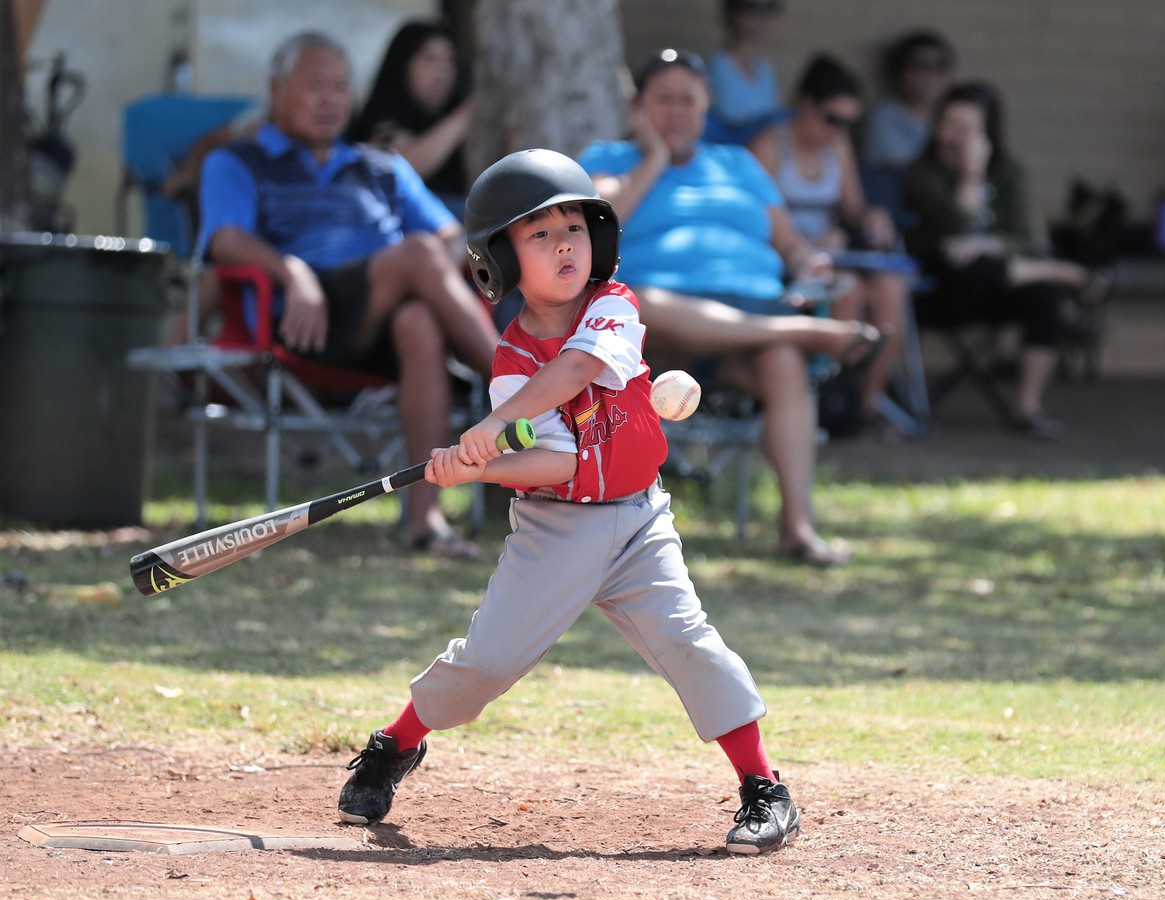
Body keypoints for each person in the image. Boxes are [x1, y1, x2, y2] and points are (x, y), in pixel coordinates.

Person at [336, 148, 802, 857]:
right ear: (499, 257)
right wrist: (476, 471)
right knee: (486, 663)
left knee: (688, 641)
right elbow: (554, 462)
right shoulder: (512, 362)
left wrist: (491, 432)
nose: (564, 245)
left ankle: (765, 787)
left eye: (574, 229)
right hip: (555, 530)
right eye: (539, 233)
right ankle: (395, 743)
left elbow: (580, 368)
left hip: (640, 519)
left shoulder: (613, 306)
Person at [578, 48, 886, 566]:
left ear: (706, 108)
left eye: (688, 101)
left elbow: (790, 245)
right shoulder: (608, 160)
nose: (677, 112)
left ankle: (797, 528)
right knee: (637, 302)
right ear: (637, 108)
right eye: (663, 101)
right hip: (654, 327)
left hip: (751, 306)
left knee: (781, 364)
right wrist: (653, 157)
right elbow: (595, 229)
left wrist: (810, 264)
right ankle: (798, 332)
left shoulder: (738, 164)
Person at [198, 31, 500, 557]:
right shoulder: (238, 161)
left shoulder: (381, 166)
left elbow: (453, 238)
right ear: (276, 90)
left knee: (419, 322)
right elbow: (226, 239)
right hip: (301, 324)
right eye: (315, 85)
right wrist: (295, 273)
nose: (331, 99)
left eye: (341, 87)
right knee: (418, 255)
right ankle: (524, 387)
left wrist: (427, 274)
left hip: (380, 323)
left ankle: (426, 522)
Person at [903, 81, 1110, 441]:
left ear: (988, 134)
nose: (952, 136)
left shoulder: (1009, 171)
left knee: (1042, 295)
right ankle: (1067, 273)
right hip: (938, 291)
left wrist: (988, 243)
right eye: (947, 124)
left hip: (995, 285)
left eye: (965, 129)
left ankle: (1027, 407)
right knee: (959, 258)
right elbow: (955, 226)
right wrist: (972, 174)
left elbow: (1024, 237)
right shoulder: (922, 173)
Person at [749, 52, 909, 434]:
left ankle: (866, 405)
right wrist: (806, 242)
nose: (839, 131)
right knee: (847, 292)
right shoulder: (770, 145)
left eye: (849, 123)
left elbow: (853, 208)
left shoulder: (838, 147)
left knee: (890, 290)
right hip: (785, 257)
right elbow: (754, 218)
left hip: (834, 255)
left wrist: (873, 216)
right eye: (832, 119)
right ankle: (828, 401)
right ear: (806, 105)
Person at [349, 19, 473, 215]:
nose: (442, 71)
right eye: (430, 59)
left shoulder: (451, 108)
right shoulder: (383, 112)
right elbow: (406, 166)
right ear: (404, 62)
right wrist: (468, 113)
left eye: (449, 60)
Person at [860, 30, 957, 215]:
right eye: (920, 66)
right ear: (902, 72)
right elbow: (897, 171)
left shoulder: (954, 115)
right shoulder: (885, 116)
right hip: (905, 209)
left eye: (940, 66)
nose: (931, 75)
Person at [704, 0, 786, 146]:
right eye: (753, 8)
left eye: (771, 7)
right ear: (735, 12)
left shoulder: (765, 69)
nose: (764, 18)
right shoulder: (716, 68)